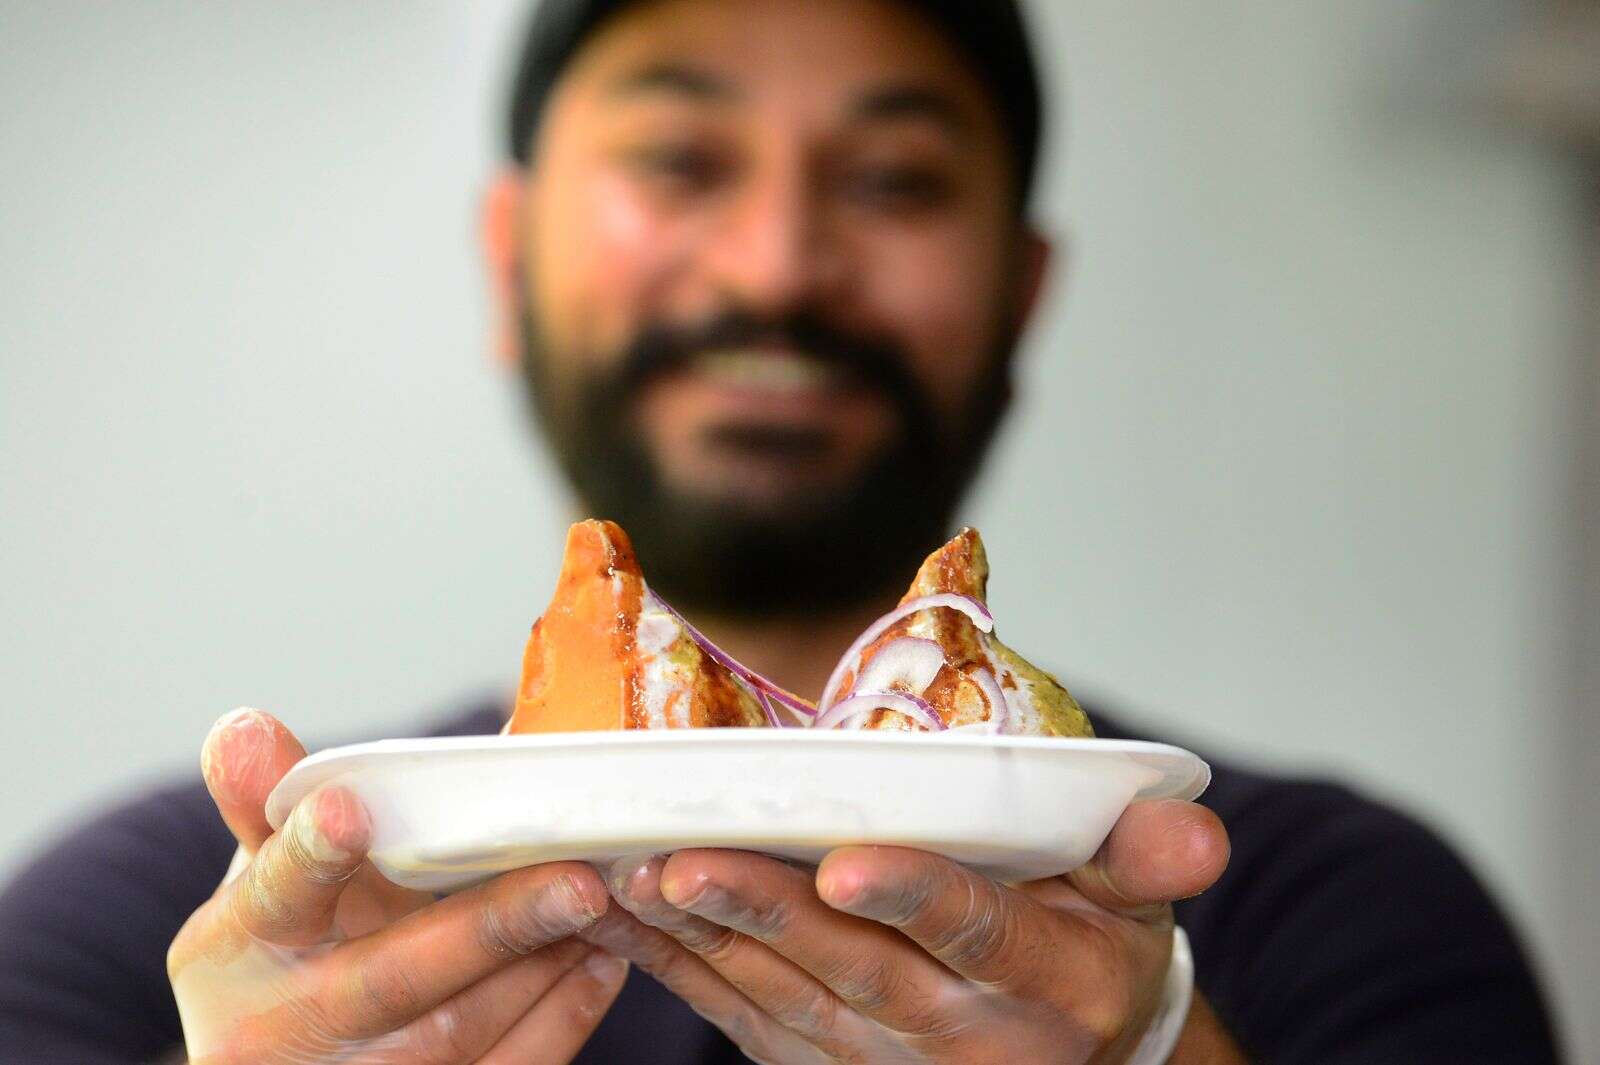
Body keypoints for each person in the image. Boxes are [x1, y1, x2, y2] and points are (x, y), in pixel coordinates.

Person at [0, 1, 1562, 1062]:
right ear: (505, 262)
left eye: (892, 177)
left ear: (1019, 296)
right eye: (682, 160)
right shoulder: (143, 926)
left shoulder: (1343, 912)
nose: (779, 263)